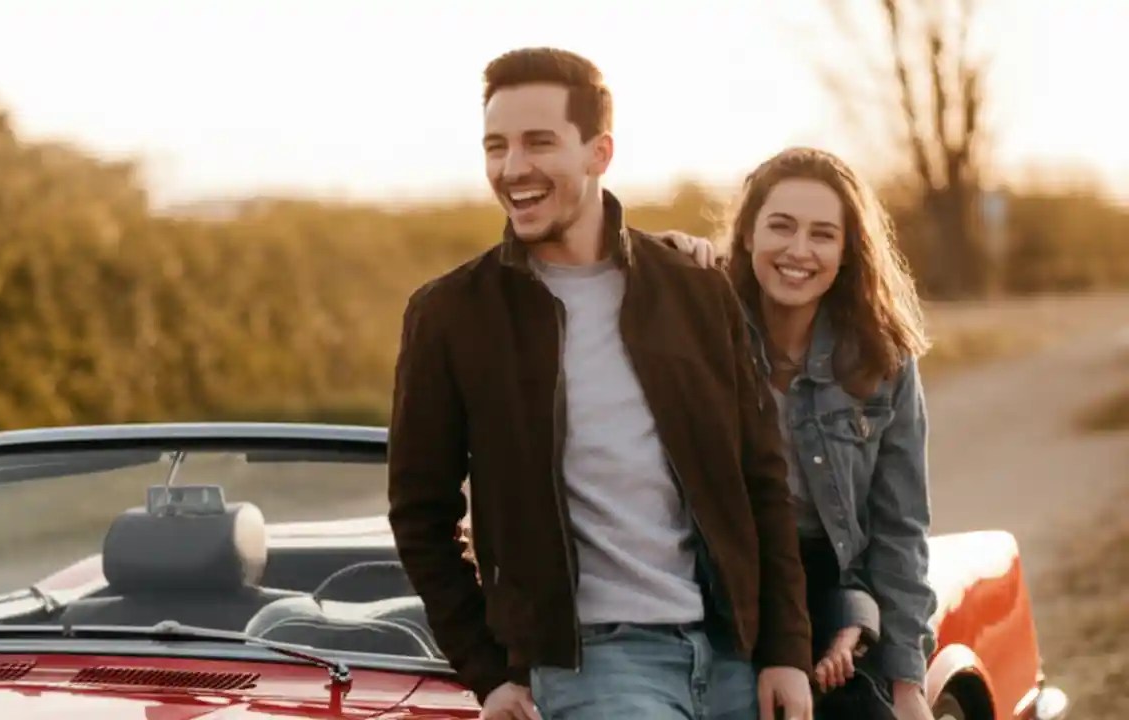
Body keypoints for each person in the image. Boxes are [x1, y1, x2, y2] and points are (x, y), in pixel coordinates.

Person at [387, 47, 816, 720]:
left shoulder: (695, 293)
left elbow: (762, 479)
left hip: (733, 655)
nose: (512, 168)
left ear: (599, 152)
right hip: (594, 670)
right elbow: (420, 515)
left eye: (538, 143)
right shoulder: (452, 316)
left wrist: (787, 649)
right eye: (496, 146)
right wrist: (488, 672)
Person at [662, 146, 938, 720]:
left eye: (822, 234)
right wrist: (664, 259)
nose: (798, 251)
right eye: (780, 227)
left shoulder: (883, 358)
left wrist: (904, 677)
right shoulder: (706, 330)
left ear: (847, 253)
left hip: (833, 583)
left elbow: (899, 526)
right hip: (722, 584)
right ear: (746, 235)